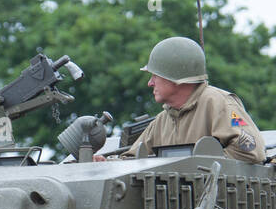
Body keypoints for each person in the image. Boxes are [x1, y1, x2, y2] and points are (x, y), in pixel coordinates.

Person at [101, 36, 265, 163]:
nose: (150, 83)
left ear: (173, 77)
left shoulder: (218, 103)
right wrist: (105, 164)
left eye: (155, 76)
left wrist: (197, 167)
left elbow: (251, 151)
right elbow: (131, 160)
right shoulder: (162, 120)